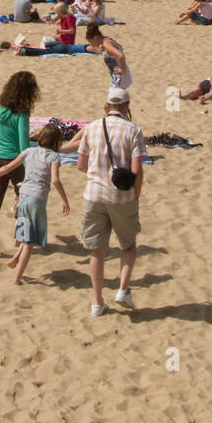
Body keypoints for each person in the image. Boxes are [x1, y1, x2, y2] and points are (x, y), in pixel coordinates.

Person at [69, 86, 146, 317]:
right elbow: (137, 170)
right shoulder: (134, 130)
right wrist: (136, 192)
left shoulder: (91, 128)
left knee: (97, 251)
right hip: (121, 195)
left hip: (94, 194)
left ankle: (97, 302)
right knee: (129, 245)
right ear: (127, 107)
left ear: (106, 106)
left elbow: (81, 165)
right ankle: (122, 289)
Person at [0, 125, 70, 284]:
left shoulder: (29, 152)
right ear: (56, 142)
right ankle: (18, 278)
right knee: (30, 242)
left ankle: (14, 259)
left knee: (26, 230)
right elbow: (55, 180)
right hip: (37, 199)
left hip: (23, 196)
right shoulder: (54, 157)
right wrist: (65, 200)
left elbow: (6, 168)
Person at [0, 71, 38, 259]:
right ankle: (19, 241)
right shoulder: (22, 112)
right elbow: (23, 145)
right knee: (24, 200)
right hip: (16, 161)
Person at [85, 24, 131, 90]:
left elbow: (121, 56)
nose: (92, 45)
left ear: (95, 38)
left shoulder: (106, 44)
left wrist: (123, 70)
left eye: (92, 42)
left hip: (120, 77)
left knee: (112, 99)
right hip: (117, 77)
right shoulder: (105, 40)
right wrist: (102, 48)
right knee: (117, 99)